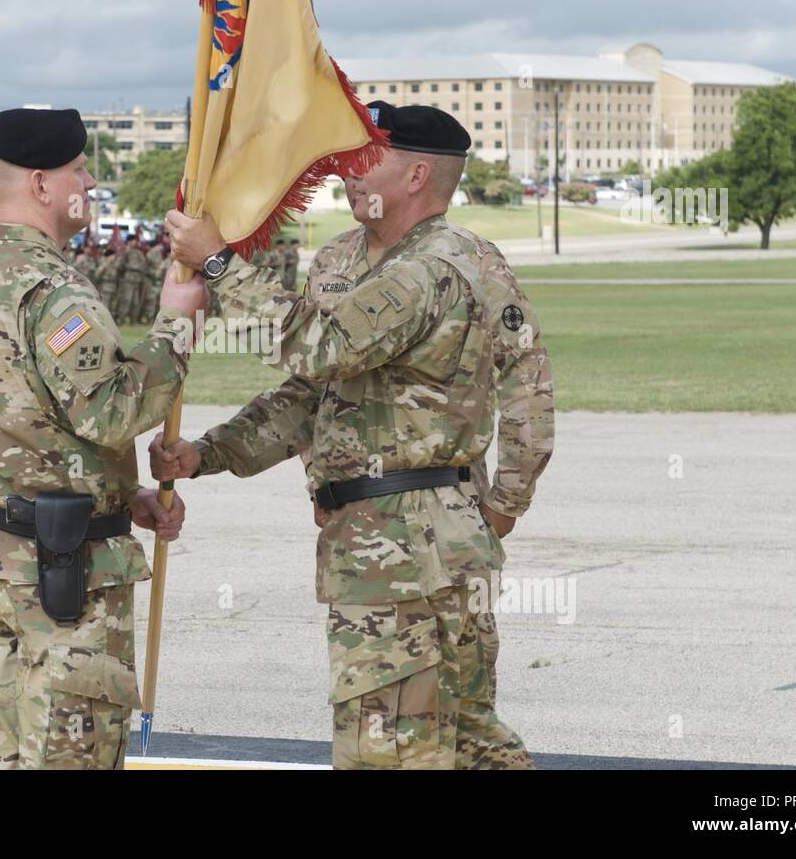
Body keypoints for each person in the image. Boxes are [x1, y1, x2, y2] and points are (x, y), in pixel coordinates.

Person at [153, 104, 540, 770]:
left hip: (405, 536)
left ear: (417, 174)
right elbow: (313, 395)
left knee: (390, 746)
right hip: (386, 530)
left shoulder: (435, 265)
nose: (347, 173)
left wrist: (219, 263)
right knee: (464, 743)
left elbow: (326, 347)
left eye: (367, 160)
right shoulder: (341, 258)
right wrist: (210, 452)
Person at [0, 107, 204, 769]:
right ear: (41, 185)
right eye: (80, 169)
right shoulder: (53, 289)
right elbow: (112, 414)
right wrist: (177, 325)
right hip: (61, 581)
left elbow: (18, 423)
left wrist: (120, 493)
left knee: (7, 758)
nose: (90, 181)